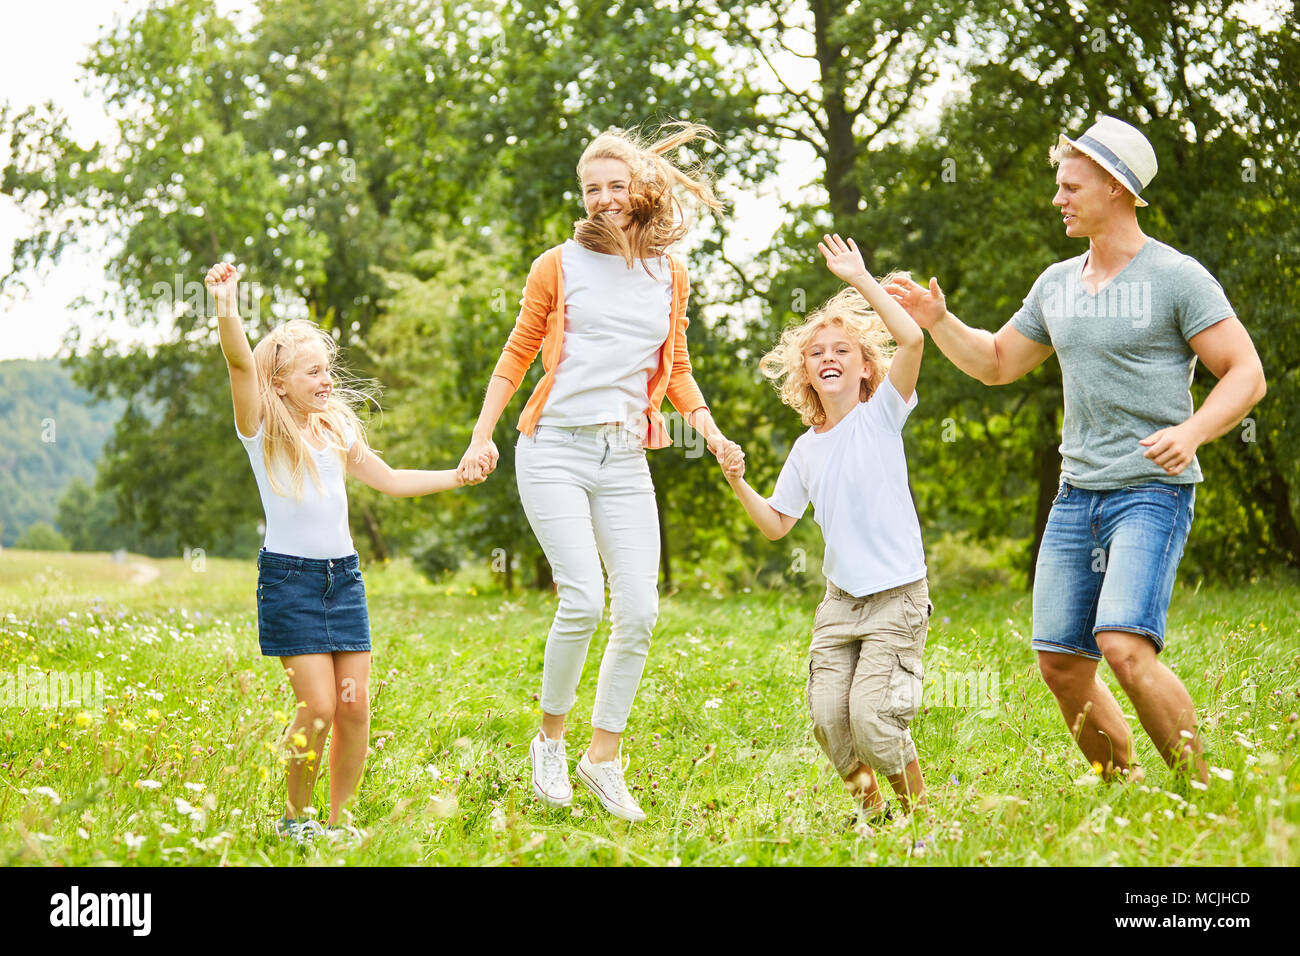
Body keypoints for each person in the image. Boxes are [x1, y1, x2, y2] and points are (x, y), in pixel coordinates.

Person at [886, 115, 1266, 783]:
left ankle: (1200, 787)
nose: (1058, 198)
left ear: (1116, 187)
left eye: (1071, 186)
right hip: (1076, 495)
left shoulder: (1177, 277)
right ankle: (1120, 787)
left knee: (1123, 646)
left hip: (1149, 490)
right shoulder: (1057, 283)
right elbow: (997, 362)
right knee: (1061, 663)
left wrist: (1191, 431)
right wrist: (938, 320)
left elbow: (1246, 373)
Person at [456, 122, 737, 823]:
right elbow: (518, 352)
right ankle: (549, 743)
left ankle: (602, 758)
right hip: (553, 448)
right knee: (582, 599)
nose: (604, 198)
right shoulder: (557, 265)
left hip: (625, 456)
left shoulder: (670, 274)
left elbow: (676, 368)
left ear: (640, 188)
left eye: (616, 185)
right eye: (591, 189)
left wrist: (710, 431)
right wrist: (481, 435)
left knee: (638, 610)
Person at [206, 261, 480, 843]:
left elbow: (391, 480)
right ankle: (295, 820)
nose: (327, 380)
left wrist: (458, 475)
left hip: (343, 581)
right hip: (290, 583)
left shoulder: (336, 429)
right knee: (320, 707)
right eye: (313, 371)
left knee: (354, 707)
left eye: (328, 370)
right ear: (280, 382)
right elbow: (238, 362)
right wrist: (226, 305)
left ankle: (339, 824)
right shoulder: (261, 429)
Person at [718, 234, 931, 829]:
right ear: (806, 373)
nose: (828, 357)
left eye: (842, 349)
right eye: (816, 353)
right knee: (829, 721)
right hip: (840, 604)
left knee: (872, 719)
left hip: (896, 599)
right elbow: (776, 525)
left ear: (865, 367)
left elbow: (913, 339)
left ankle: (921, 821)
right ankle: (874, 816)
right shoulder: (806, 449)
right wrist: (738, 481)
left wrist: (860, 278)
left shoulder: (881, 415)